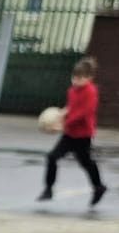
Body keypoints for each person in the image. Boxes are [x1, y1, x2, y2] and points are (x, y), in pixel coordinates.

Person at [38, 55, 105, 206]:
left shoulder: (91, 92)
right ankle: (48, 189)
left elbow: (83, 113)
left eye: (80, 78)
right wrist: (61, 114)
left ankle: (99, 187)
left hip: (83, 135)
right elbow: (71, 107)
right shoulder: (72, 91)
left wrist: (63, 124)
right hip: (69, 134)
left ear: (89, 78)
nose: (76, 81)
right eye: (74, 77)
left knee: (86, 163)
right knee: (52, 157)